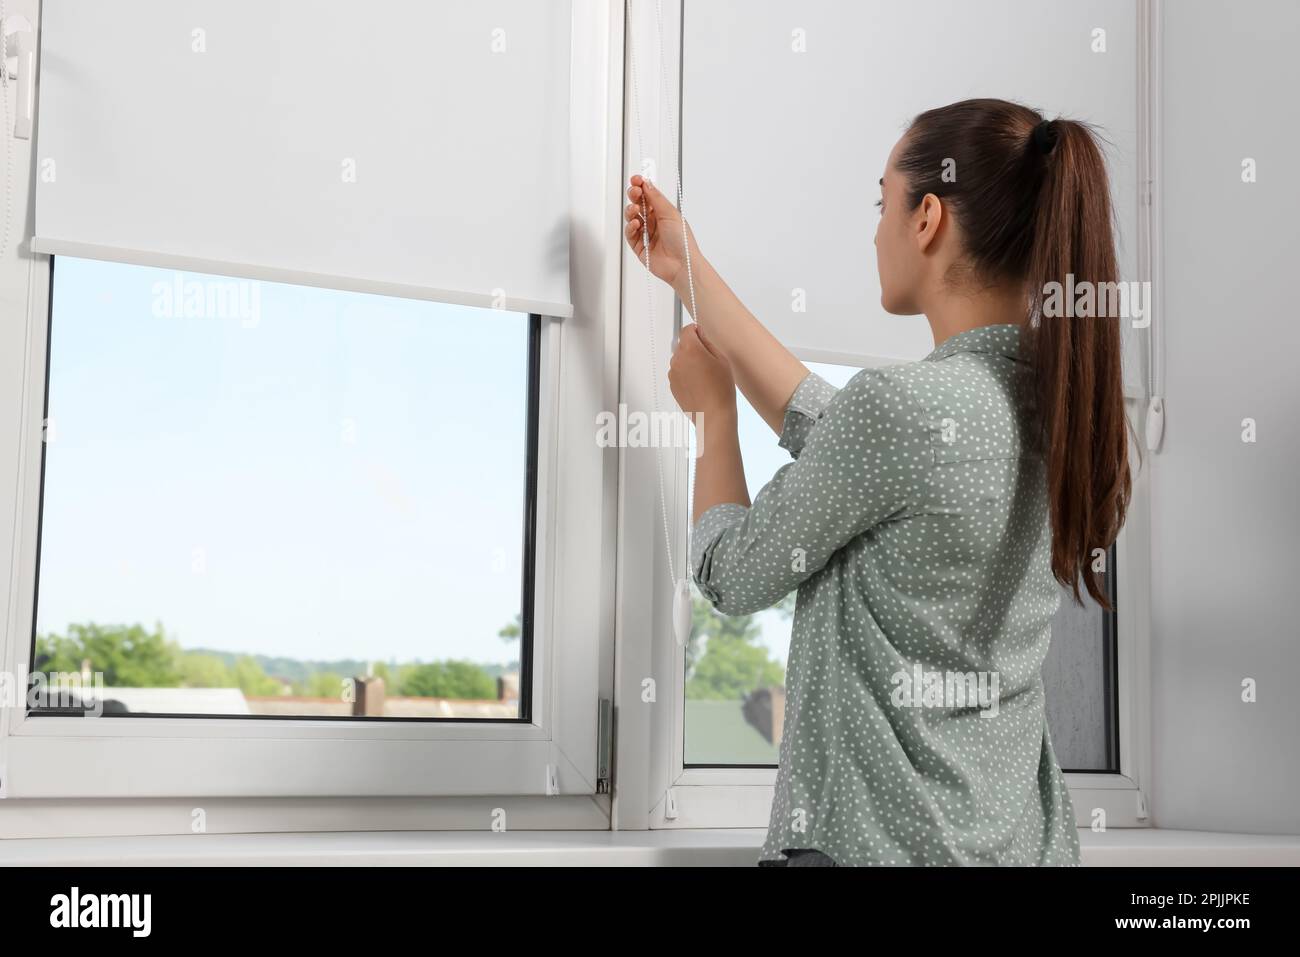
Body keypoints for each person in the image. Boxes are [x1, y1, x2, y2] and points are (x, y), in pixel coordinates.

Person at [624, 98, 1134, 866]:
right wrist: (684, 266)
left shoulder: (904, 411)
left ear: (927, 217)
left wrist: (712, 416)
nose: (874, 229)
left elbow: (731, 572)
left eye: (881, 200)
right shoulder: (1054, 411)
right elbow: (833, 430)